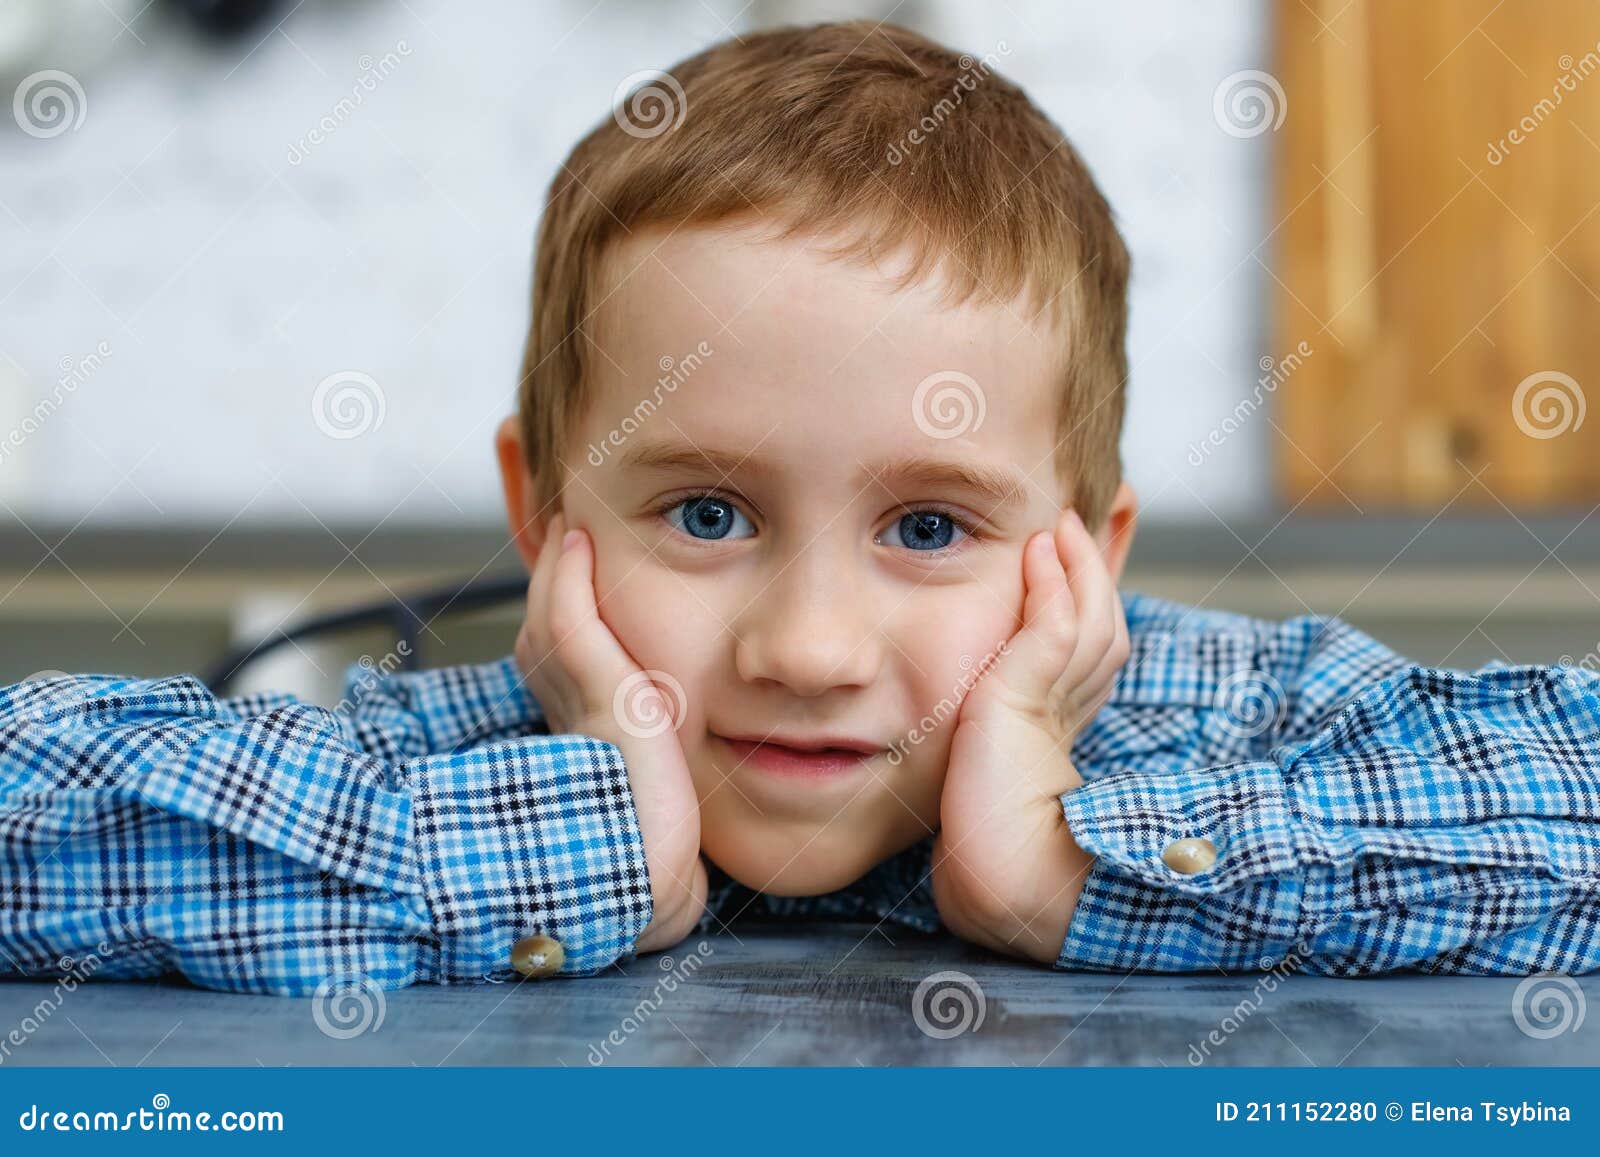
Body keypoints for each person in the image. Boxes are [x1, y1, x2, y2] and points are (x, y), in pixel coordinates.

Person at [3, 21, 1598, 996]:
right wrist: (578, 847)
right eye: (706, 515)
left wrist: (1073, 869)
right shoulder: (502, 747)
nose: (815, 647)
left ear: (1085, 563)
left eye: (926, 528)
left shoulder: (1186, 725)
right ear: (544, 512)